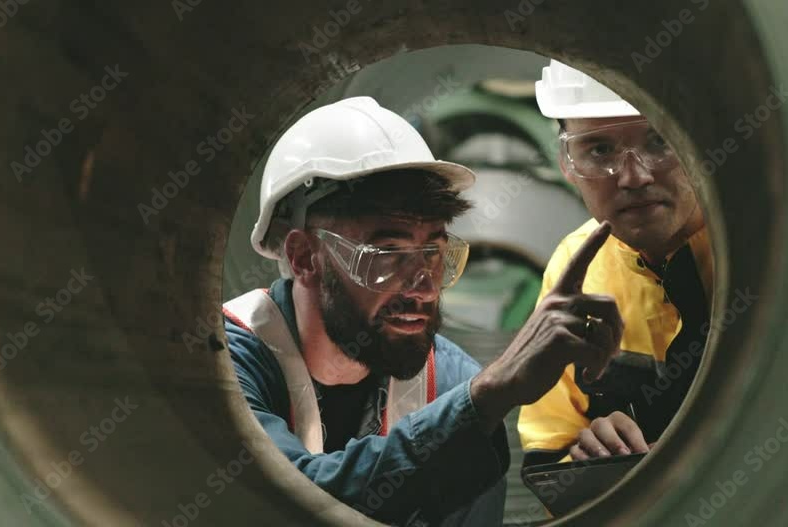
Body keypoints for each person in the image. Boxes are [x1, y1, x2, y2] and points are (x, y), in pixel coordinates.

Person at [224, 96, 623, 525]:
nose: (424, 287)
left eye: (433, 251)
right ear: (304, 258)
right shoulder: (226, 361)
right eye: (387, 252)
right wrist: (485, 398)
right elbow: (285, 501)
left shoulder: (451, 380)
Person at [518, 60, 714, 466]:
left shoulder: (764, 252)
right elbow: (548, 454)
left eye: (659, 141)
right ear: (566, 164)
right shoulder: (576, 266)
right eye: (600, 149)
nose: (633, 176)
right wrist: (592, 459)